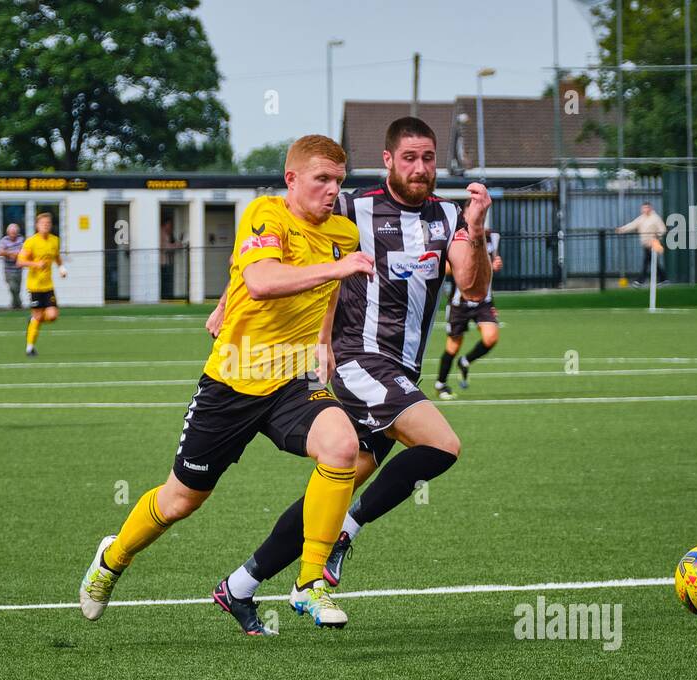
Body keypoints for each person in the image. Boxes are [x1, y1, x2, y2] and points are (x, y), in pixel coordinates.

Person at [78, 134, 373, 635]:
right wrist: (336, 268)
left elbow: (321, 293)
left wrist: (323, 342)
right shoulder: (265, 213)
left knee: (343, 446)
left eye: (338, 181)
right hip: (232, 379)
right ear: (292, 180)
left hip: (291, 379)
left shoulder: (343, 231)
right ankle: (113, 558)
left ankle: (308, 583)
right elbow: (260, 280)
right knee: (180, 501)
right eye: (321, 179)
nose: (331, 190)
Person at [210, 118, 494, 634]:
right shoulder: (351, 206)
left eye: (428, 158)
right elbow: (279, 247)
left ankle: (240, 585)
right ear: (387, 160)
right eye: (409, 157)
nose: (420, 168)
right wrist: (228, 300)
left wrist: (475, 232)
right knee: (442, 445)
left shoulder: (450, 215)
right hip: (357, 358)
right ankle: (341, 538)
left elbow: (472, 287)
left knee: (342, 480)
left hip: (401, 369)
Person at [434, 235, 504, 399]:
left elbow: (494, 261)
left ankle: (464, 361)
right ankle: (441, 384)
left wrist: (494, 264)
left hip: (484, 302)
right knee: (453, 346)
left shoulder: (493, 237)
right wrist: (466, 266)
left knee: (491, 337)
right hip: (460, 303)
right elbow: (444, 267)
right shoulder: (456, 236)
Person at [18, 212, 66, 357]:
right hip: (34, 286)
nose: (45, 225)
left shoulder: (54, 240)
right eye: (42, 223)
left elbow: (57, 257)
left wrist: (62, 268)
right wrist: (36, 264)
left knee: (52, 315)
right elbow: (20, 262)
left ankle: (33, 320)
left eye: (48, 223)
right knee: (38, 317)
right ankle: (30, 348)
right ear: (37, 226)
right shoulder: (31, 242)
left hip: (48, 286)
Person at [617, 202, 667, 287]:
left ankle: (640, 281)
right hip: (645, 244)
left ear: (650, 208)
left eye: (647, 207)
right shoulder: (641, 219)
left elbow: (662, 229)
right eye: (644, 208)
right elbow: (632, 225)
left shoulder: (655, 218)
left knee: (647, 262)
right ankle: (663, 279)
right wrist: (622, 229)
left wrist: (657, 236)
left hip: (653, 243)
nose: (645, 209)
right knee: (653, 263)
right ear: (642, 209)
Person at [0, 223, 25, 309]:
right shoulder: (4, 240)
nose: (13, 234)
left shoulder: (21, 239)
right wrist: (11, 254)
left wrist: (14, 254)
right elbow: (0, 252)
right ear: (8, 232)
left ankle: (15, 305)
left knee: (17, 288)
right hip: (8, 269)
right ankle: (19, 303)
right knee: (12, 287)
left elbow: (24, 251)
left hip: (18, 268)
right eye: (12, 232)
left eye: (15, 232)